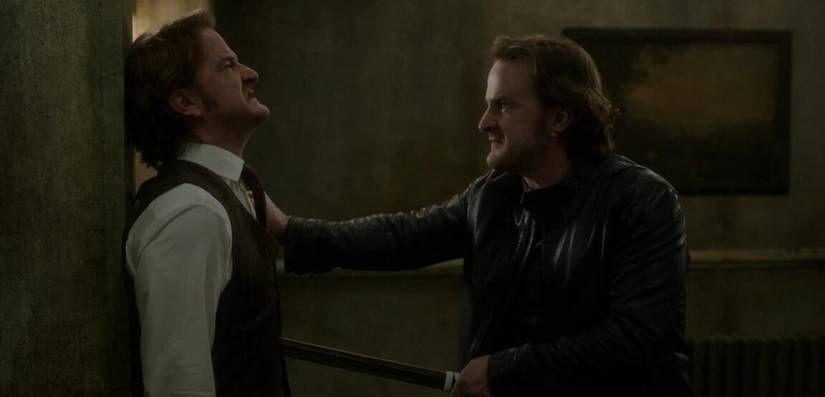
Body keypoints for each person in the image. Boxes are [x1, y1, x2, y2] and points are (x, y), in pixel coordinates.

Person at [267, 34, 691, 396]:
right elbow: (403, 236)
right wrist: (289, 231)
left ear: (559, 117)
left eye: (503, 106)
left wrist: (503, 371)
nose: (484, 123)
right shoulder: (493, 195)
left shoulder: (641, 200)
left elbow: (634, 337)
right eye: (489, 106)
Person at [123, 11, 289, 396]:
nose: (251, 74)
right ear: (186, 101)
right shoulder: (192, 212)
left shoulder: (223, 194)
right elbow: (179, 384)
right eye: (228, 66)